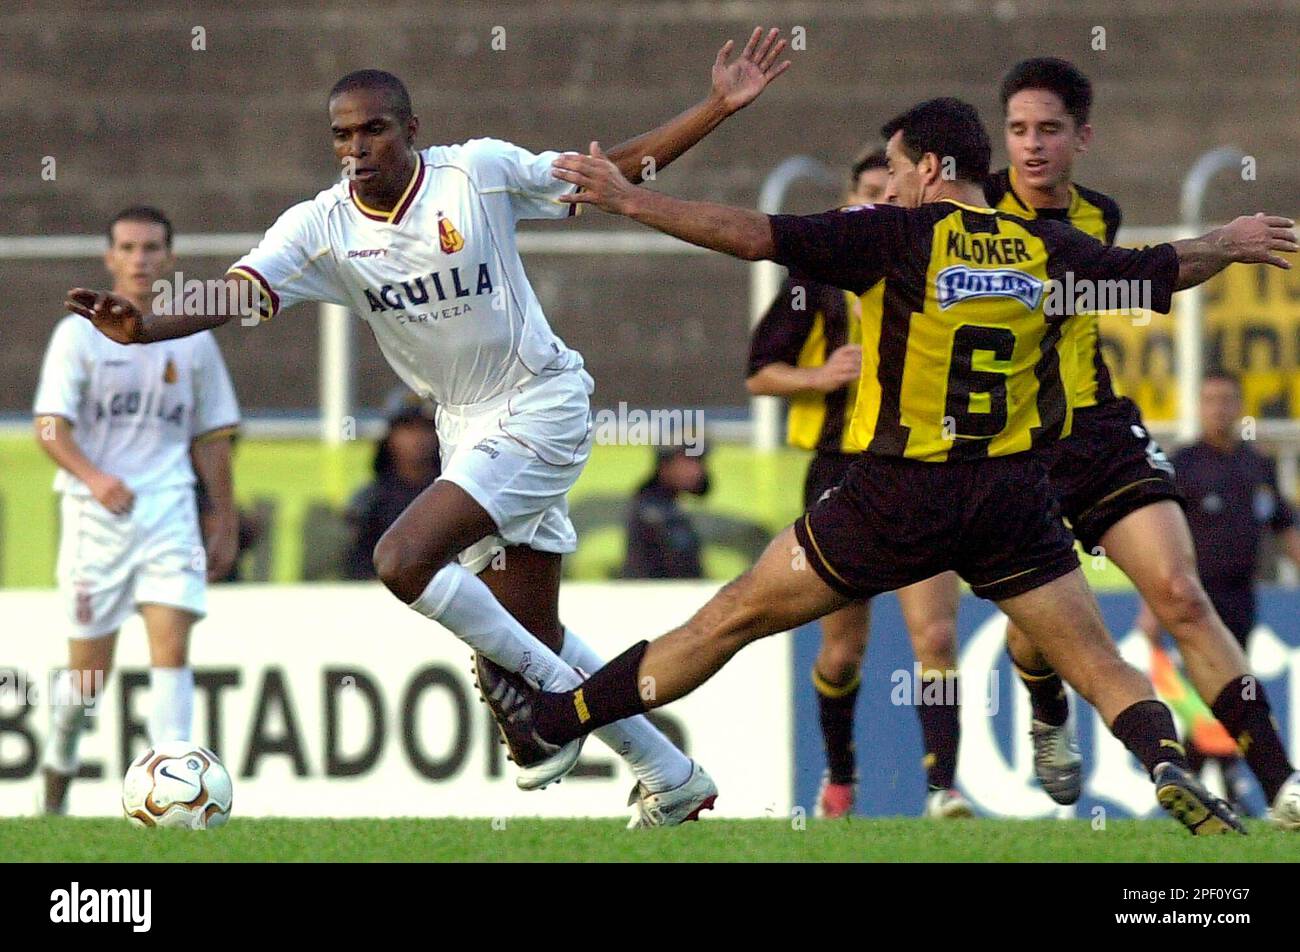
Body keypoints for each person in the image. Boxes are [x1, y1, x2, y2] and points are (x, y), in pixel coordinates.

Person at [514, 95, 1299, 835]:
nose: (886, 186)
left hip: (897, 493)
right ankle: (1164, 760)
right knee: (1095, 659)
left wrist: (630, 199)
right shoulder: (1045, 246)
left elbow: (752, 234)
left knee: (731, 618)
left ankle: (558, 719)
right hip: (1010, 498)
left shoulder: (891, 237)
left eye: (893, 169)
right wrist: (1225, 243)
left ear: (929, 168)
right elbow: (1159, 267)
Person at [68, 31, 792, 826]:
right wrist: (148, 326)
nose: (357, 147)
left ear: (412, 130)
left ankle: (547, 698)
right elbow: (239, 293)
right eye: (342, 134)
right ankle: (670, 773)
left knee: (403, 558)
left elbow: (603, 173)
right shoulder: (321, 226)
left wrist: (717, 108)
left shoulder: (474, 173)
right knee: (531, 638)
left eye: (373, 128)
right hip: (465, 428)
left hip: (541, 403)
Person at [986, 58, 1300, 824]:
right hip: (1009, 446)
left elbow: (1135, 280)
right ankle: (1047, 712)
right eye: (1019, 130)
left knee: (1182, 595)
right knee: (1040, 635)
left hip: (1095, 430)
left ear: (1082, 136)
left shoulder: (1100, 214)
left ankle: (1283, 784)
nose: (1032, 147)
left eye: (1050, 130)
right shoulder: (968, 210)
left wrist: (1221, 245)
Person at [746, 148, 967, 818]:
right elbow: (760, 372)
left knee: (935, 637)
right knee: (841, 652)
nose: (882, 203)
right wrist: (819, 377)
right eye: (868, 192)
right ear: (848, 197)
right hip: (841, 471)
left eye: (890, 191)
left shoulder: (939, 265)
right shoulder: (817, 278)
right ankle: (841, 782)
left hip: (922, 462)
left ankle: (943, 790)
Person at [34, 206, 240, 814]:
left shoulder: (191, 337)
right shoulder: (77, 336)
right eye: (128, 247)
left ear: (170, 258)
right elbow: (48, 427)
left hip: (169, 508)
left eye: (152, 248)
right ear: (110, 258)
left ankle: (173, 794)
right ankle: (57, 774)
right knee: (87, 684)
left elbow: (213, 434)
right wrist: (95, 478)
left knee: (171, 650)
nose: (140, 259)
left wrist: (222, 515)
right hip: (95, 522)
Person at [1137, 370, 1300, 804]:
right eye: (1210, 399)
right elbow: (1158, 536)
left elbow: (1284, 525)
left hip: (1241, 596)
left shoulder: (1256, 464)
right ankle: (1232, 784)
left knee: (1228, 690)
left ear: (1240, 404)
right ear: (1198, 404)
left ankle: (1195, 780)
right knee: (1212, 689)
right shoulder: (1182, 464)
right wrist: (1154, 602)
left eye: (1227, 399)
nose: (1219, 409)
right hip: (1192, 599)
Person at [343, 404, 441, 580]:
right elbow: (357, 564)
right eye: (407, 429)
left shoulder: (452, 495)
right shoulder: (370, 501)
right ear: (390, 436)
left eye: (426, 429)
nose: (418, 439)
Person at [622, 445, 709, 580]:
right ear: (665, 464)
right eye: (688, 460)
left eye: (699, 461)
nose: (696, 470)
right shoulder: (649, 510)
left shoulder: (674, 505)